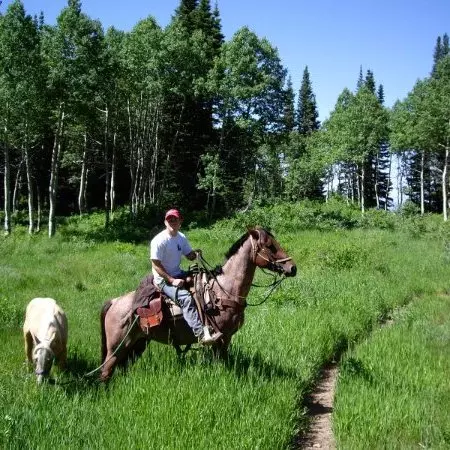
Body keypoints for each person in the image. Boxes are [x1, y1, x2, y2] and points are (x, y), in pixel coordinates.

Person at [150, 208, 222, 345]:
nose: (172, 221)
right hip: (163, 279)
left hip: (177, 272)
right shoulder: (159, 240)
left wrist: (195, 254)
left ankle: (210, 320)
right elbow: (155, 265)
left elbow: (189, 255)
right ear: (165, 222)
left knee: (204, 283)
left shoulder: (181, 237)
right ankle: (201, 334)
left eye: (175, 219)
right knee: (186, 298)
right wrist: (171, 280)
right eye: (169, 219)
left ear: (180, 221)